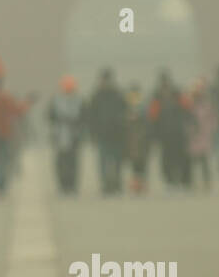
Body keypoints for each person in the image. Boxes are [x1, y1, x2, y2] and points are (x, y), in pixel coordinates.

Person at [86, 68, 128, 196]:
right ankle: (105, 184)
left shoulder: (118, 95)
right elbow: (91, 116)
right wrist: (92, 133)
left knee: (117, 161)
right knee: (103, 161)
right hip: (102, 134)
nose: (105, 82)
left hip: (117, 134)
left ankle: (116, 184)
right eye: (104, 80)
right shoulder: (96, 96)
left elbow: (125, 112)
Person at [46, 75, 85, 195]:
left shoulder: (79, 100)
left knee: (72, 162)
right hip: (60, 135)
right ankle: (64, 186)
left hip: (74, 136)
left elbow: (84, 117)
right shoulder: (56, 100)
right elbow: (49, 116)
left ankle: (71, 186)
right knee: (62, 163)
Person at [186, 78, 217, 191]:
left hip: (204, 137)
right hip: (193, 138)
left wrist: (211, 130)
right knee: (193, 163)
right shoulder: (189, 107)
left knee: (204, 162)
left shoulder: (207, 106)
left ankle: (207, 184)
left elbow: (213, 119)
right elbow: (186, 120)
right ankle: (191, 184)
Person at [124, 84, 151, 194]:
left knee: (139, 165)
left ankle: (140, 185)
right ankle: (138, 186)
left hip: (139, 141)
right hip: (135, 141)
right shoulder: (131, 105)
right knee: (137, 165)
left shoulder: (142, 106)